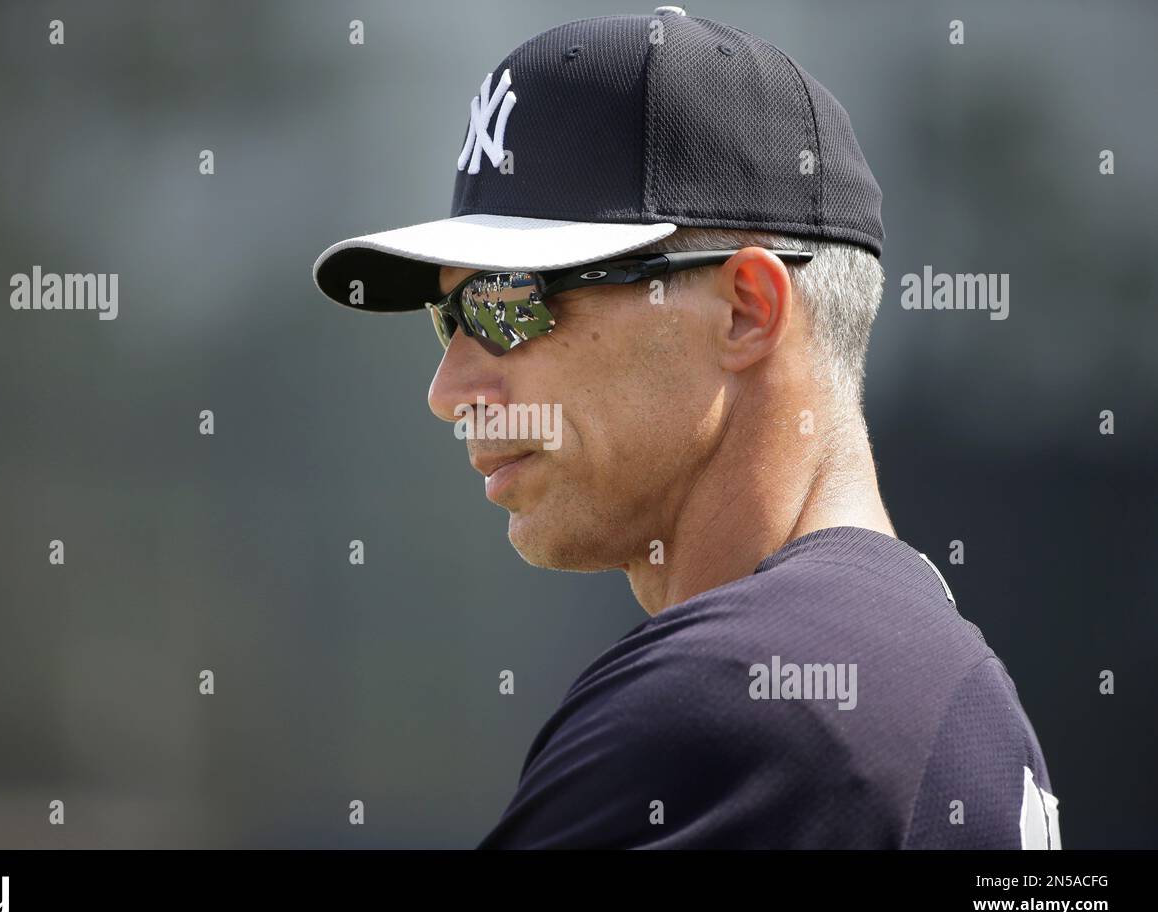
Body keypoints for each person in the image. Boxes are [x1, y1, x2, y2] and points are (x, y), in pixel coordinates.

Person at [312, 7, 1058, 849]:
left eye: (507, 303)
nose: (450, 390)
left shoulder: (731, 702)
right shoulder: (946, 673)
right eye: (451, 317)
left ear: (744, 309)